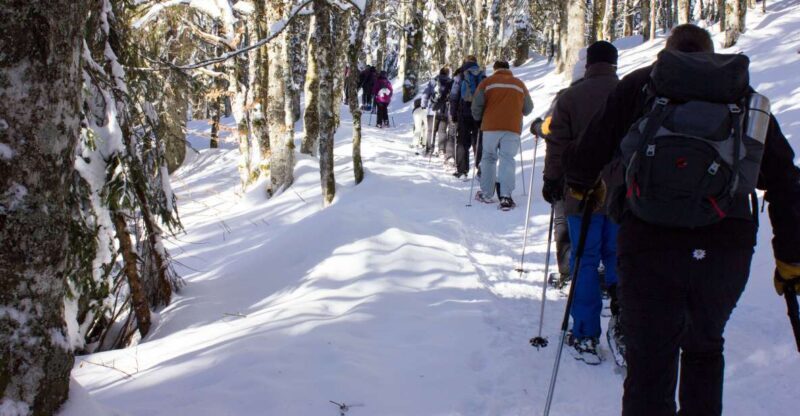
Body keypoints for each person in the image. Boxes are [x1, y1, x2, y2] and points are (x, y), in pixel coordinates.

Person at [565, 24, 800, 415]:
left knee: (649, 362)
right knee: (705, 349)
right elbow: (786, 182)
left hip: (648, 243)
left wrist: (585, 188)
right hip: (726, 246)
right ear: (709, 55)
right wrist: (790, 259)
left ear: (668, 56)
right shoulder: (743, 97)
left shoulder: (643, 86)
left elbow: (587, 154)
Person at [544, 41, 622, 365]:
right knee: (618, 257)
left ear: (588, 64)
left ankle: (586, 333)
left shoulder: (570, 97)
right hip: (621, 193)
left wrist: (551, 181)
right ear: (614, 64)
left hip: (581, 192)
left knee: (585, 259)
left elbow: (557, 144)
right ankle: (624, 328)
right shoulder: (631, 92)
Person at [470, 60, 533, 210]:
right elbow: (528, 108)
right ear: (508, 68)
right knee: (507, 159)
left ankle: (486, 193)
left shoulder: (487, 83)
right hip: (512, 127)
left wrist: (478, 119)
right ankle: (506, 197)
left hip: (490, 126)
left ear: (495, 69)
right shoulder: (519, 84)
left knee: (489, 158)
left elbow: (476, 104)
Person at [450, 56, 485, 179]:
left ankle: (462, 171)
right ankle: (480, 169)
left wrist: (453, 114)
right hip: (479, 113)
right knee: (478, 141)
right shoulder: (482, 73)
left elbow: (454, 96)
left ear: (464, 62)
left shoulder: (460, 75)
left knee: (463, 142)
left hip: (463, 112)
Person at [422, 68, 453, 157]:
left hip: (432, 110)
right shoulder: (450, 82)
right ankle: (441, 150)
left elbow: (426, 93)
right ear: (447, 74)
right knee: (442, 131)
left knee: (431, 130)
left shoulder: (433, 81)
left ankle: (429, 149)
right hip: (445, 110)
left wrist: (423, 104)